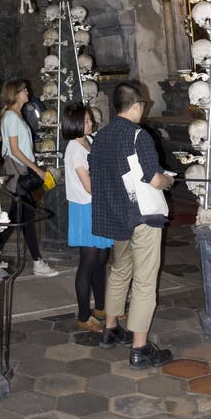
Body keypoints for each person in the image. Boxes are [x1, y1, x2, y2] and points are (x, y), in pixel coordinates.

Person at [89, 81, 174, 368]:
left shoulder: (100, 137)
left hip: (115, 216)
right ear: (137, 105)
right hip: (142, 217)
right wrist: (169, 180)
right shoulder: (139, 136)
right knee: (145, 280)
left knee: (120, 270)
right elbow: (153, 177)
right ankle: (140, 347)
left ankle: (111, 329)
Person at [0, 79, 58, 277]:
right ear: (15, 94)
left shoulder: (16, 115)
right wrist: (36, 169)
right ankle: (38, 262)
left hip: (22, 171)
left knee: (17, 217)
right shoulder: (12, 117)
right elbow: (14, 150)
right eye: (23, 90)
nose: (27, 92)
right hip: (20, 172)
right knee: (26, 218)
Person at [62, 103, 113, 332]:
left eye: (90, 119)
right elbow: (90, 186)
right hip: (85, 208)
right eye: (86, 121)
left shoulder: (89, 142)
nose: (91, 123)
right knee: (88, 262)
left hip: (96, 206)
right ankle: (83, 316)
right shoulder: (74, 148)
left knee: (101, 258)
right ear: (74, 124)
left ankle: (100, 307)